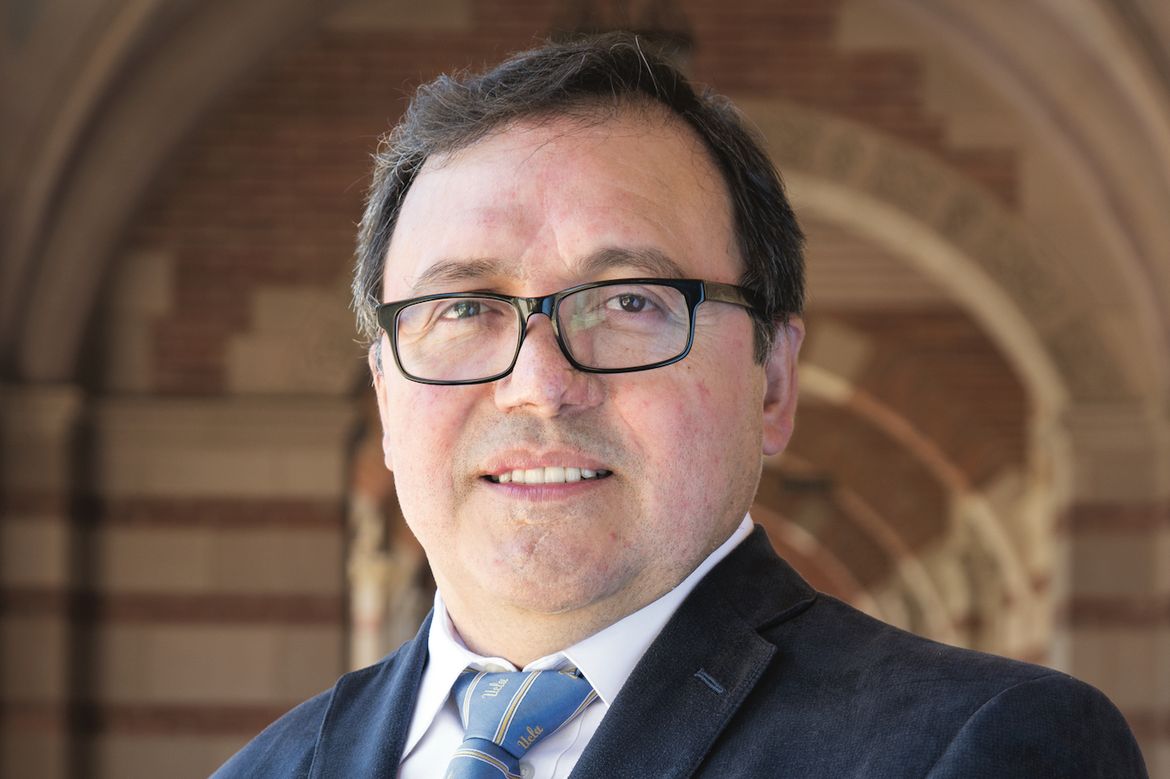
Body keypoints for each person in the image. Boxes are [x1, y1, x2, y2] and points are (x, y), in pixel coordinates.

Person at [215, 33, 1147, 778]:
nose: (539, 383)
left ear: (773, 382)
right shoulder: (262, 771)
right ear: (386, 393)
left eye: (630, 302)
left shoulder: (988, 748)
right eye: (463, 307)